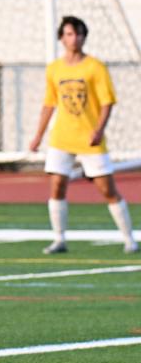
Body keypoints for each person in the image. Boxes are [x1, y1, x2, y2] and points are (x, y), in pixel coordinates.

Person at [30, 15, 137, 255]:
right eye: (69, 34)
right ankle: (59, 239)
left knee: (106, 189)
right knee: (57, 185)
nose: (74, 39)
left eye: (78, 34)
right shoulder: (54, 69)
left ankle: (129, 239)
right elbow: (49, 104)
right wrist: (38, 136)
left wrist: (99, 130)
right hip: (61, 138)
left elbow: (107, 102)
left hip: (90, 138)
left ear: (84, 37)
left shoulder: (95, 67)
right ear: (61, 38)